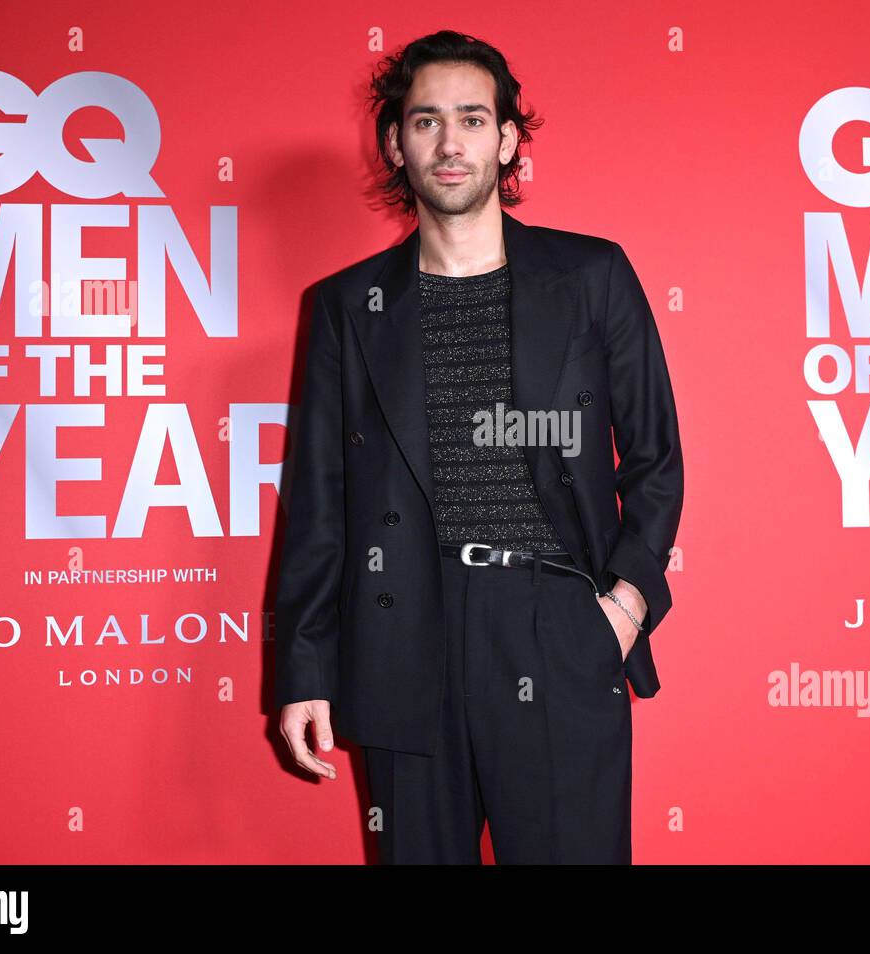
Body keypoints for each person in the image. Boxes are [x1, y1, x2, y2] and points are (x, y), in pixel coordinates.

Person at [274, 29, 683, 864]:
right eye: (426, 121)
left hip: (557, 625)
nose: (450, 142)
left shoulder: (592, 277)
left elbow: (656, 461)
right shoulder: (349, 309)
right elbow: (319, 501)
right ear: (397, 142)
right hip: (403, 636)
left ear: (505, 139)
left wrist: (623, 610)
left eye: (471, 118)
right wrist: (304, 668)